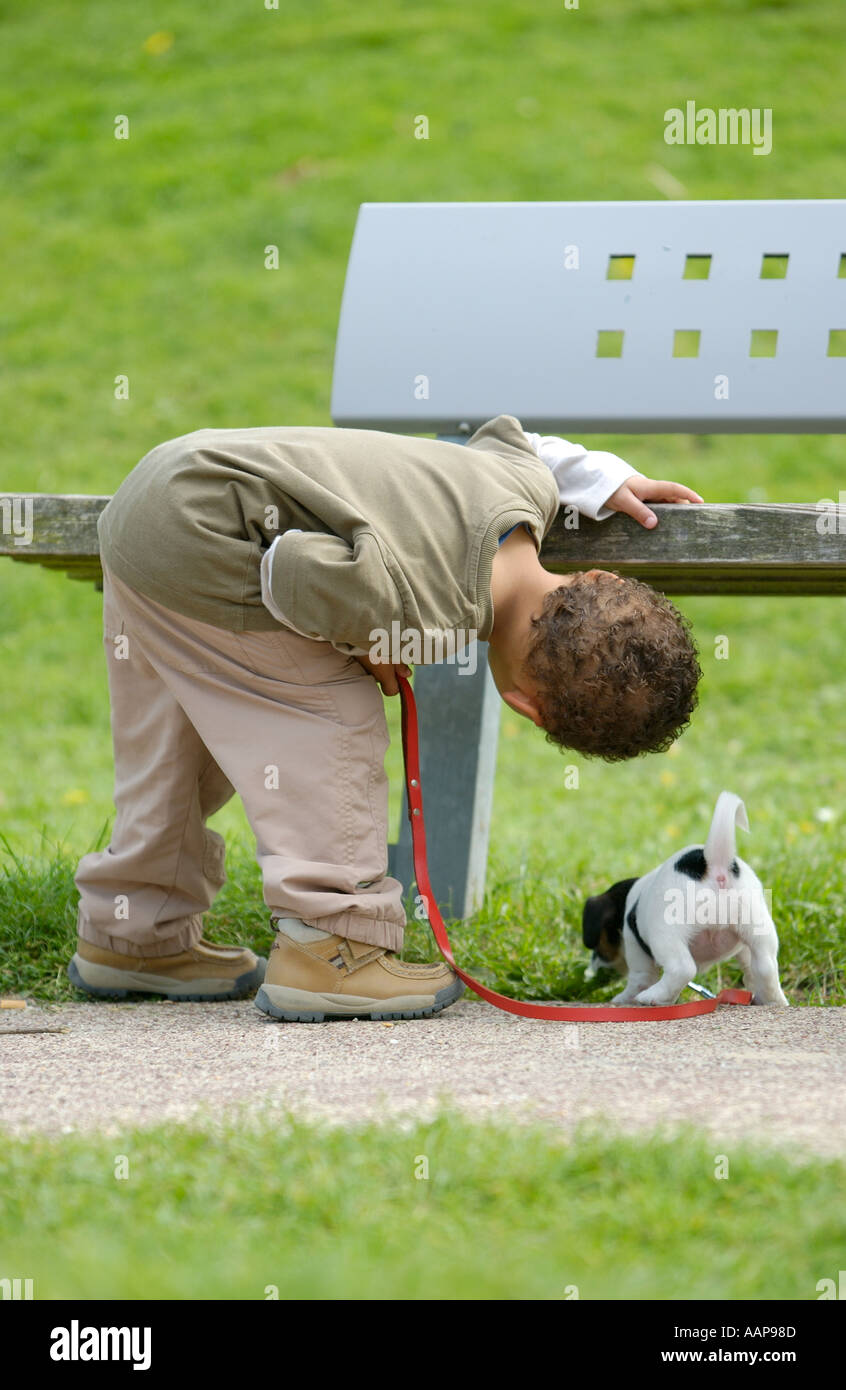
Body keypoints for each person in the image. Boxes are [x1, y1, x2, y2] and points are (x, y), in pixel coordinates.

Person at [70, 414, 703, 1021]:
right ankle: (333, 945)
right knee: (334, 714)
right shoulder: (421, 606)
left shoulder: (522, 492)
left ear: (594, 574)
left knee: (179, 742)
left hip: (159, 501)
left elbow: (525, 444)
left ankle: (134, 933)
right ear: (526, 709)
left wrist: (601, 478)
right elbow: (292, 574)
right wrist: (363, 637)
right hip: (205, 540)